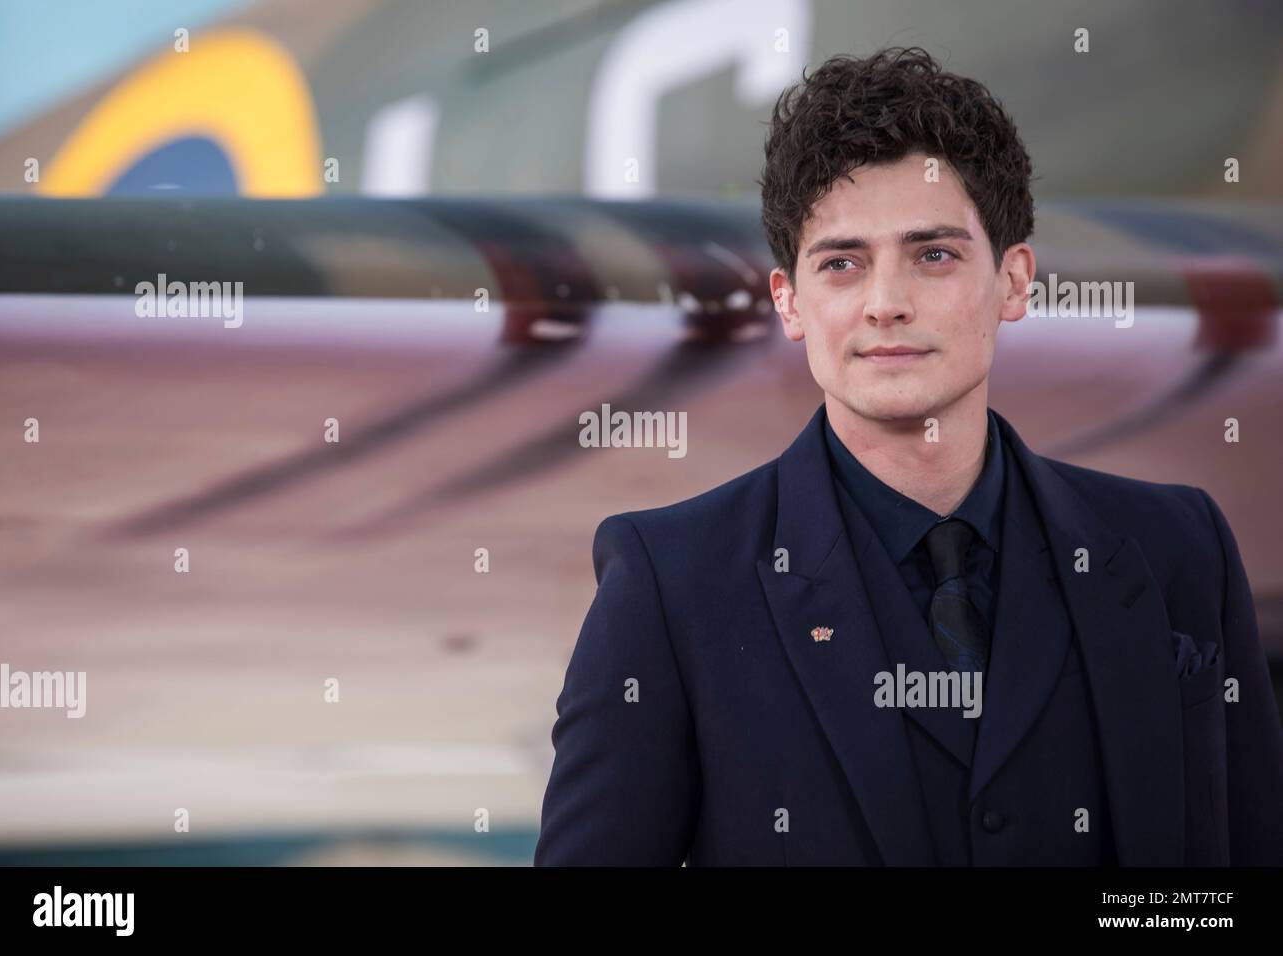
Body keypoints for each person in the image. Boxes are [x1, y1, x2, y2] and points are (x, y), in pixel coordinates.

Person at [535, 47, 1283, 866]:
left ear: (1015, 281)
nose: (886, 304)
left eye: (934, 255)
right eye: (842, 264)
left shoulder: (1179, 548)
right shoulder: (669, 584)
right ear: (790, 302)